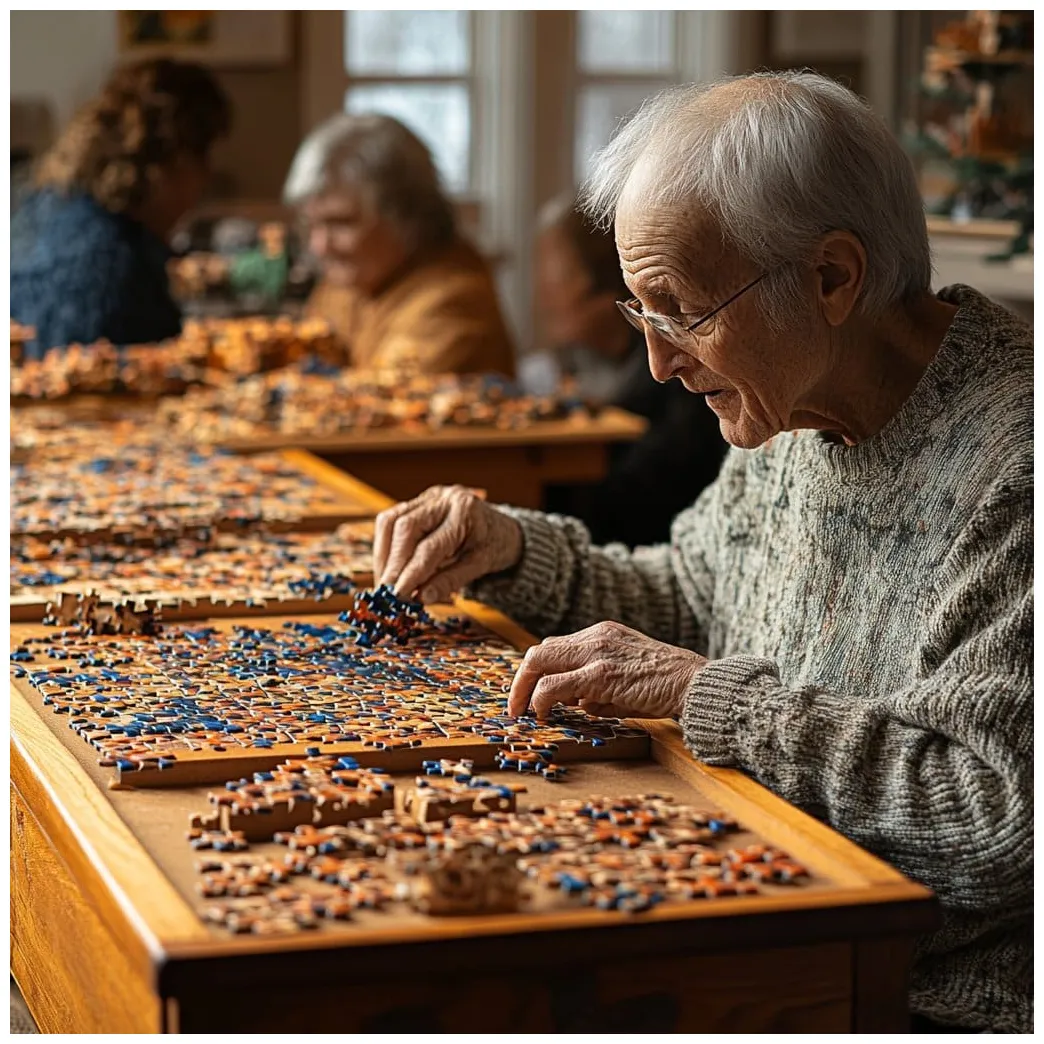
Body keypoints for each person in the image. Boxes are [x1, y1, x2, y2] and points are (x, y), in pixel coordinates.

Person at [371, 73, 1031, 1033]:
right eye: (642, 314)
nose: (658, 361)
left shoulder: (1017, 471)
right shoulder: (800, 403)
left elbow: (998, 819)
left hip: (913, 1000)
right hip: (767, 922)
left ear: (833, 278)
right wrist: (512, 549)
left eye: (681, 310)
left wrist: (709, 698)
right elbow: (690, 598)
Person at [536, 196, 728, 546]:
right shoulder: (572, 370)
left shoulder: (680, 384)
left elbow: (628, 510)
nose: (542, 292)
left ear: (610, 283)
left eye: (556, 274)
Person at [11, 59, 231, 357]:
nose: (204, 180)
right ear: (172, 161)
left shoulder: (51, 211)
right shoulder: (114, 263)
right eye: (202, 159)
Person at [283, 113, 516, 377]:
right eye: (311, 225)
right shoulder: (352, 283)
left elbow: (376, 407)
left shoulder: (453, 302)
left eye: (341, 223)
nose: (319, 246)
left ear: (407, 216)